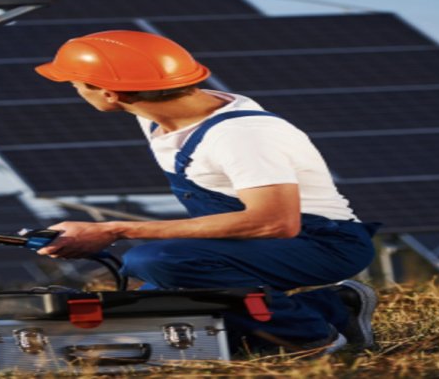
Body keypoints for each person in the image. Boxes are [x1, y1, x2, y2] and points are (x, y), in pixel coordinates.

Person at [34, 30, 379, 354]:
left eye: (76, 84)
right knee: (148, 313)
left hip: (320, 243)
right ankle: (338, 306)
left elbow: (276, 223)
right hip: (249, 243)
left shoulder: (242, 135)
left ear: (110, 94)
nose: (75, 89)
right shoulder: (161, 111)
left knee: (153, 261)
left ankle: (311, 335)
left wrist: (113, 230)